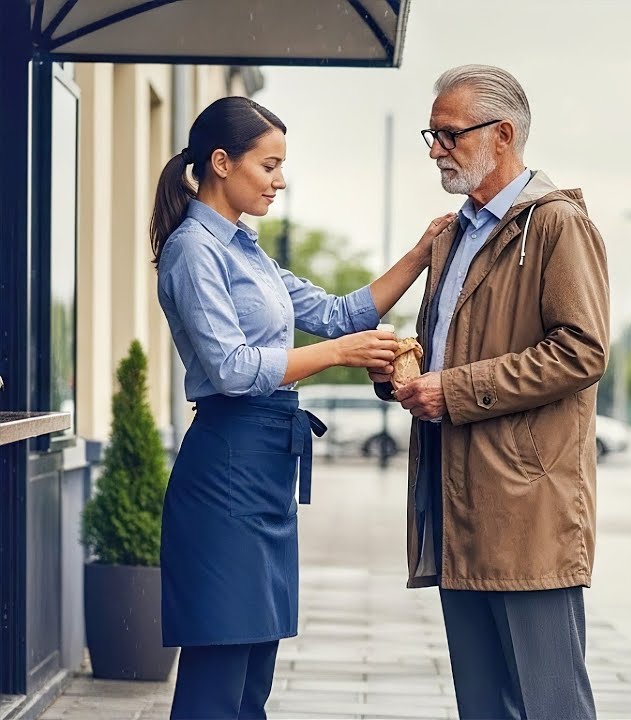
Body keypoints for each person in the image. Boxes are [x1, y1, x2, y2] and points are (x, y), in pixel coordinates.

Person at [153, 96, 453, 718]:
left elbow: (339, 314)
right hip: (224, 472)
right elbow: (232, 370)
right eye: (269, 165)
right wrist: (338, 354)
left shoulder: (247, 252)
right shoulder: (193, 251)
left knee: (254, 677)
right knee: (218, 676)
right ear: (221, 162)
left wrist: (424, 252)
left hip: (265, 472)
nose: (280, 181)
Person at [371, 64, 608, 719]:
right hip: (455, 505)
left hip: (527, 511)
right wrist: (399, 373)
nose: (434, 150)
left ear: (502, 135)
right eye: (432, 134)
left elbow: (582, 350)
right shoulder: (451, 237)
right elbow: (442, 356)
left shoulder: (557, 227)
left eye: (448, 135)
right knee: (483, 707)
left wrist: (455, 388)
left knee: (551, 703)